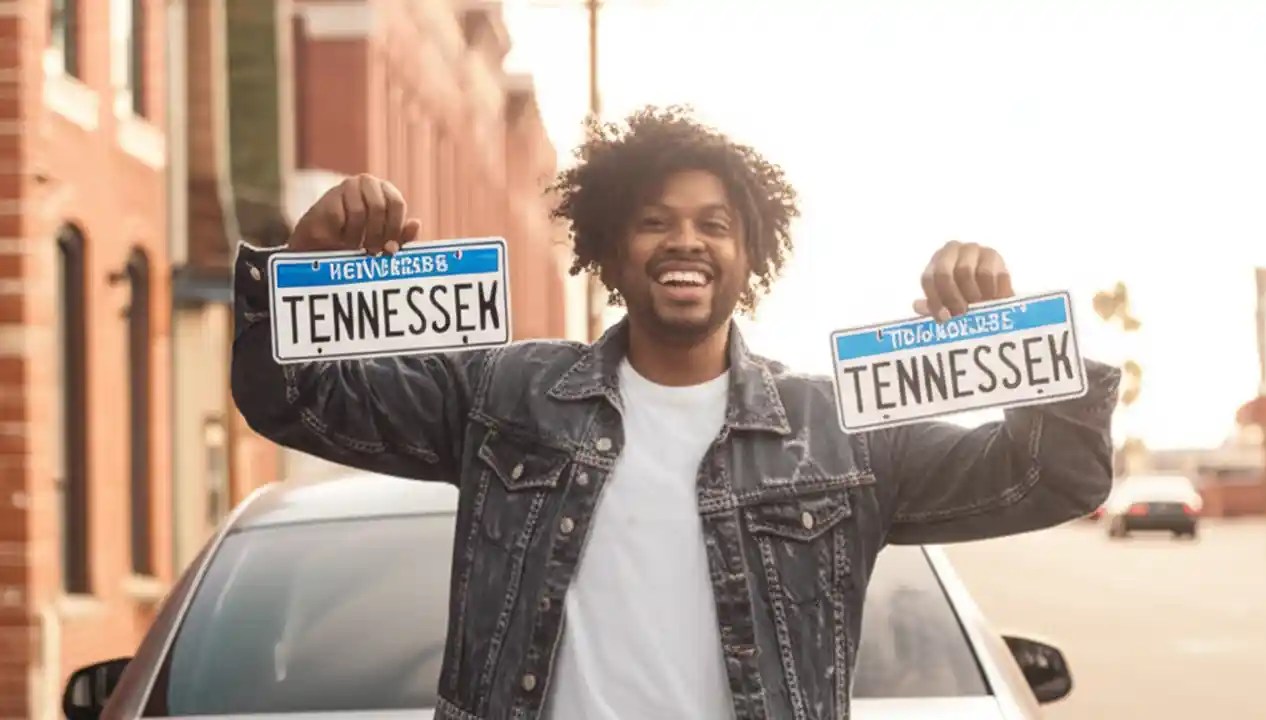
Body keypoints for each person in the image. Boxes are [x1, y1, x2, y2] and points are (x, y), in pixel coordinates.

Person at [231, 105, 1120, 720]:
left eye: (715, 224)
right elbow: (297, 401)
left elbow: (1051, 476)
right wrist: (298, 270)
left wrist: (1009, 331)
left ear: (747, 258)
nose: (686, 241)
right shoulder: (504, 397)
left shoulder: (836, 436)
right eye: (655, 222)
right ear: (614, 253)